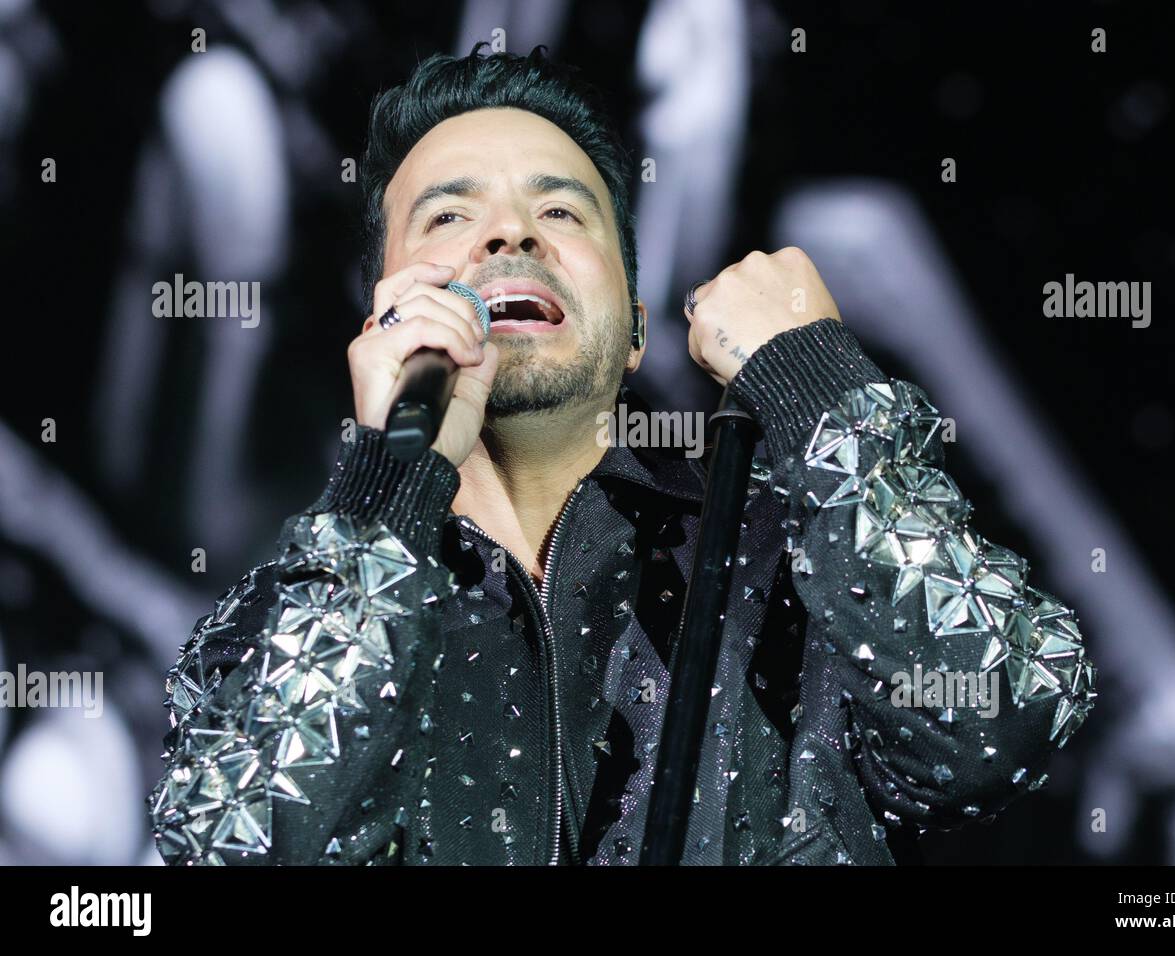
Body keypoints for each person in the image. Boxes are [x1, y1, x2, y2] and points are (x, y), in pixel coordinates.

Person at [148, 43, 1096, 866]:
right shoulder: (298, 611)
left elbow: (1004, 715)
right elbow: (237, 840)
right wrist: (396, 469)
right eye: (446, 217)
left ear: (637, 329)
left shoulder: (796, 567)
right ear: (381, 319)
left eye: (562, 213)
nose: (510, 232)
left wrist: (817, 393)